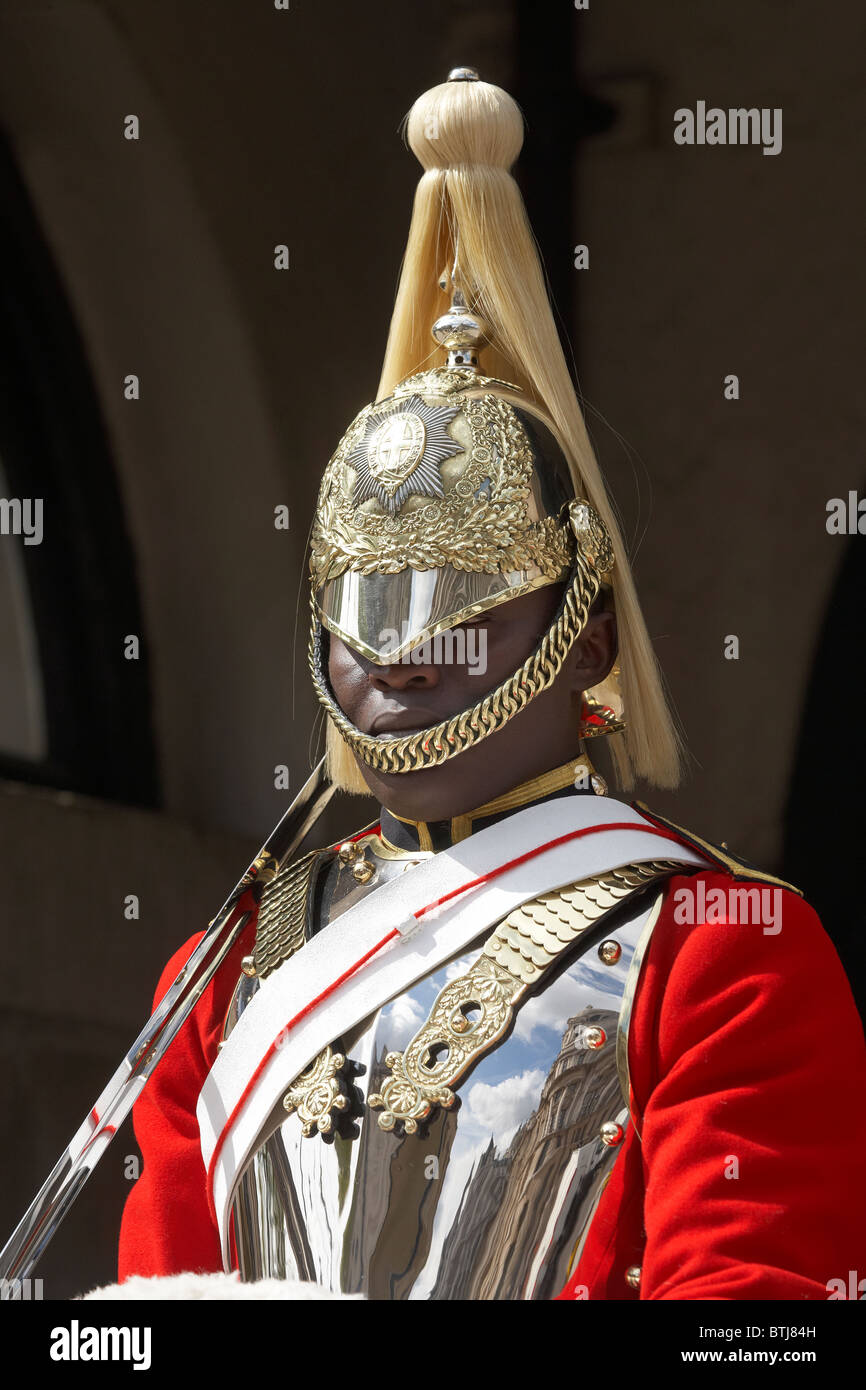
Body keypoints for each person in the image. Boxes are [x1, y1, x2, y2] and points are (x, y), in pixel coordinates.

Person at [118, 70, 866, 1300]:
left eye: (458, 607)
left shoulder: (721, 951)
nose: (403, 654)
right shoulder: (235, 958)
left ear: (586, 636)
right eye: (369, 608)